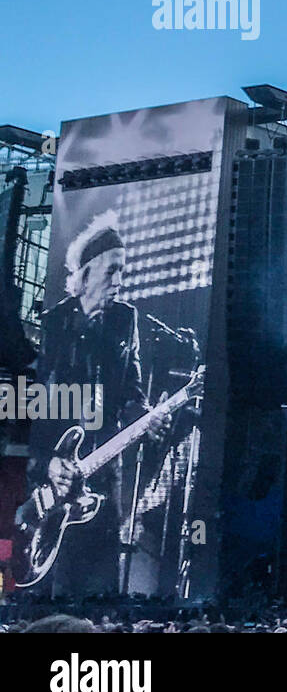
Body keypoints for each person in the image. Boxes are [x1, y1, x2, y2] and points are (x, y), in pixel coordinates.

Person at [22, 211, 174, 595]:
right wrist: (47, 461)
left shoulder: (125, 320)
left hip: (103, 471)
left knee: (101, 580)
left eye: (123, 271)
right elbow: (33, 407)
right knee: (53, 582)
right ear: (86, 274)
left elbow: (132, 395)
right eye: (112, 271)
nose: (119, 281)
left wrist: (147, 418)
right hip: (53, 473)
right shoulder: (54, 324)